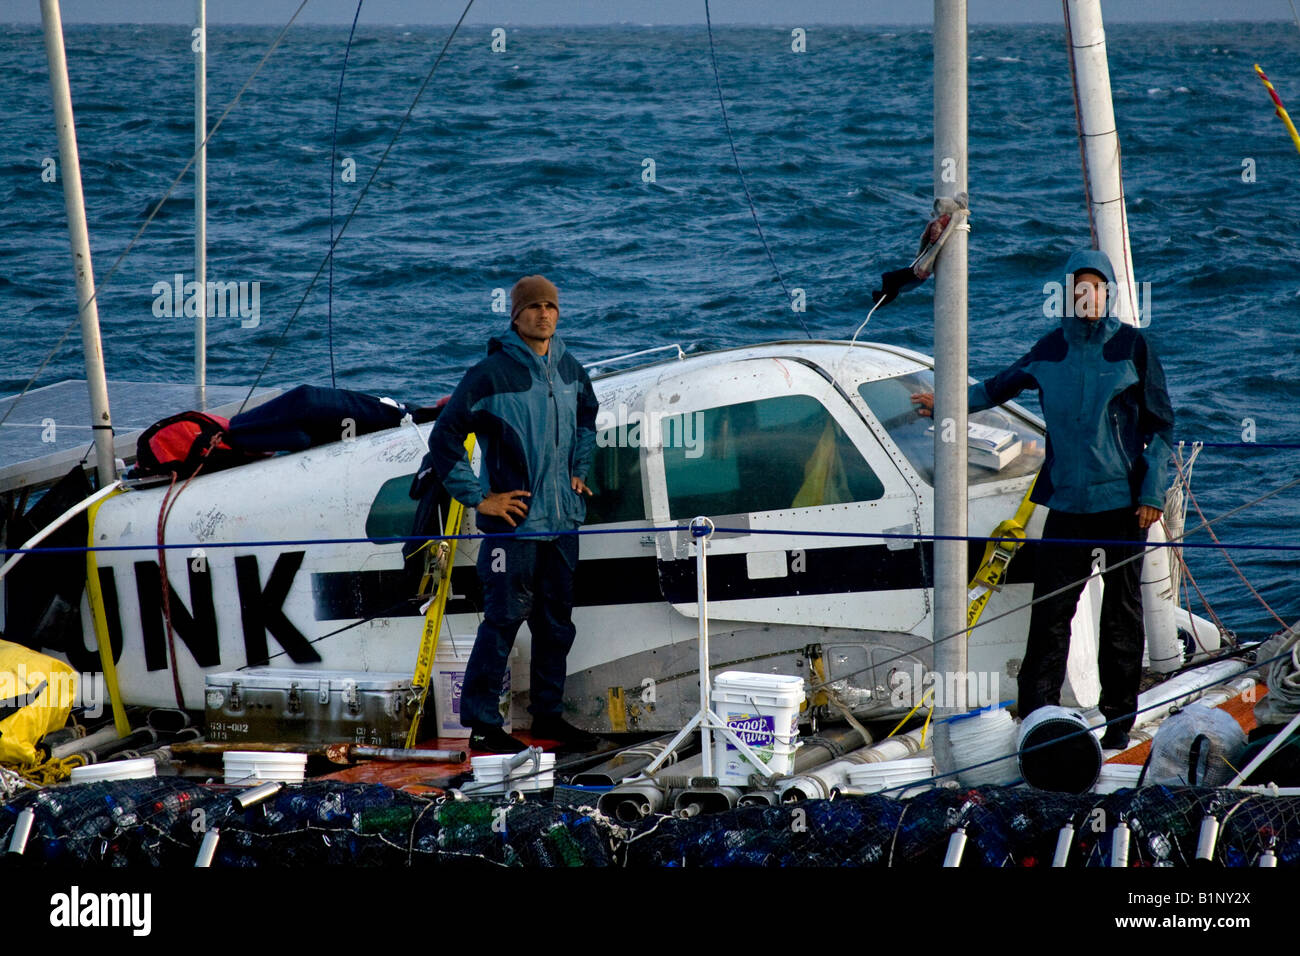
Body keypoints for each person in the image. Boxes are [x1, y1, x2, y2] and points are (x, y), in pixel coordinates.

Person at [912, 249, 1175, 750]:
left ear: (1109, 293)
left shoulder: (1132, 348)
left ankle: (1119, 725)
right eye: (1080, 287)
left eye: (1097, 287)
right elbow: (996, 388)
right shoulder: (1050, 349)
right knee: (1050, 615)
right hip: (1066, 508)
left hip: (1124, 509)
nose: (1088, 296)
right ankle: (1036, 720)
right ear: (1068, 294)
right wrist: (944, 402)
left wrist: (1152, 492)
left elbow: (1162, 427)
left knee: (1122, 617)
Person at [424, 275, 600, 754]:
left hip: (563, 523)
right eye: (534, 307)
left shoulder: (569, 366)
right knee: (502, 621)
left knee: (555, 625)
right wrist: (480, 498)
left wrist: (580, 470)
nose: (544, 314)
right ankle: (482, 726)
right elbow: (444, 438)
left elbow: (588, 417)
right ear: (516, 315)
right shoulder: (490, 374)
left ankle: (548, 717)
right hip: (513, 528)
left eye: (551, 306)